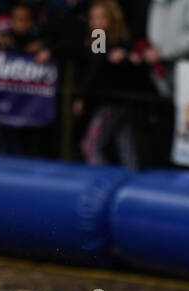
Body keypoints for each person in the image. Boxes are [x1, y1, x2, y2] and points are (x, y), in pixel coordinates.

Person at [75, 0, 144, 167]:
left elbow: (96, 68)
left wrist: (82, 98)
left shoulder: (108, 38)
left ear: (113, 19)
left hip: (111, 102)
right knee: (125, 146)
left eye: (102, 18)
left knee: (90, 146)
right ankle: (130, 177)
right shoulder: (104, 39)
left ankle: (105, 182)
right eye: (94, 18)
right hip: (118, 101)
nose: (96, 23)